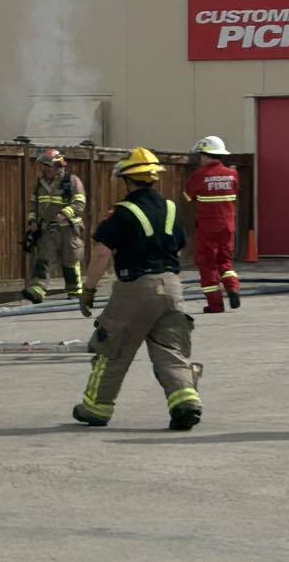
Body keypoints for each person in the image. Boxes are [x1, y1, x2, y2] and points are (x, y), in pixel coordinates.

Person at [71, 147, 202, 431]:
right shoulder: (170, 208)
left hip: (135, 288)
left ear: (127, 180)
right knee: (171, 351)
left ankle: (95, 408)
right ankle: (185, 402)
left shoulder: (122, 212)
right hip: (172, 287)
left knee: (113, 349)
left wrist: (88, 289)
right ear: (153, 178)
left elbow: (102, 253)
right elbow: (180, 246)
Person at [182, 135, 243, 314]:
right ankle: (233, 288)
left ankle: (215, 305)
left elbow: (187, 196)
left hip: (208, 227)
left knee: (207, 263)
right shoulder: (233, 174)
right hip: (228, 226)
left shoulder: (200, 175)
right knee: (225, 260)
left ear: (205, 155)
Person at [21, 148, 87, 303]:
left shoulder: (72, 181)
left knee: (70, 259)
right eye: (43, 165)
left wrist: (65, 213)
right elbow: (34, 205)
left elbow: (79, 203)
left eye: (47, 165)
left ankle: (74, 290)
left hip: (68, 228)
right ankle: (37, 291)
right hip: (47, 228)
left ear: (58, 165)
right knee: (44, 259)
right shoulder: (40, 183)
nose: (44, 168)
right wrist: (32, 221)